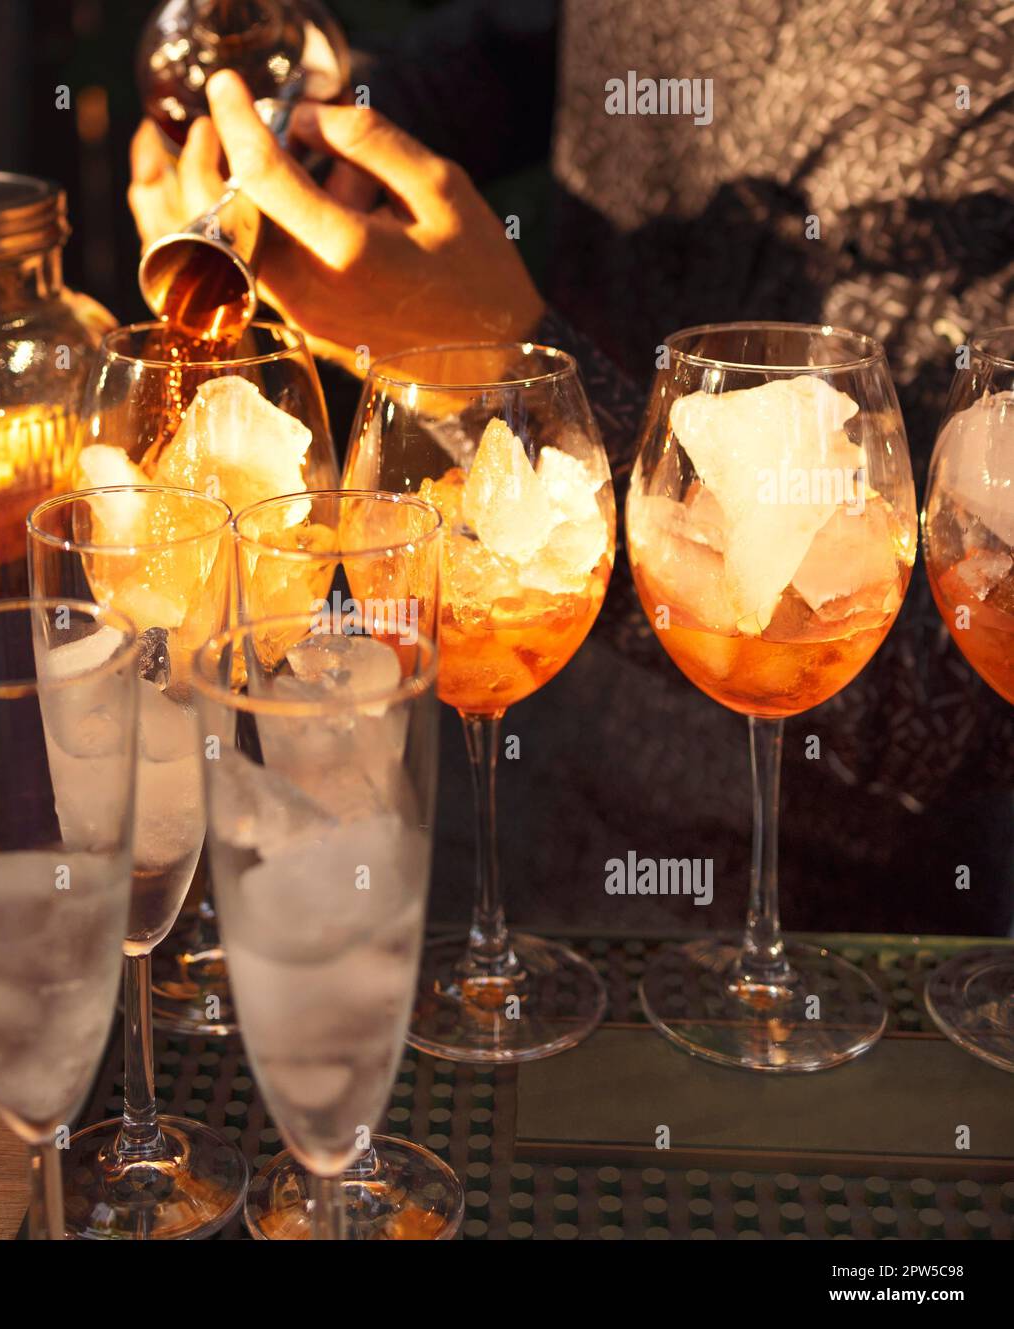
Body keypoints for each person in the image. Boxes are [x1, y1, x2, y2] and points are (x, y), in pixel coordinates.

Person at [127, 3, 1014, 939]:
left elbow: (954, 705)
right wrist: (291, 144)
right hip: (535, 790)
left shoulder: (977, 66)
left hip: (832, 910)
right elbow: (526, 52)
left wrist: (499, 368)